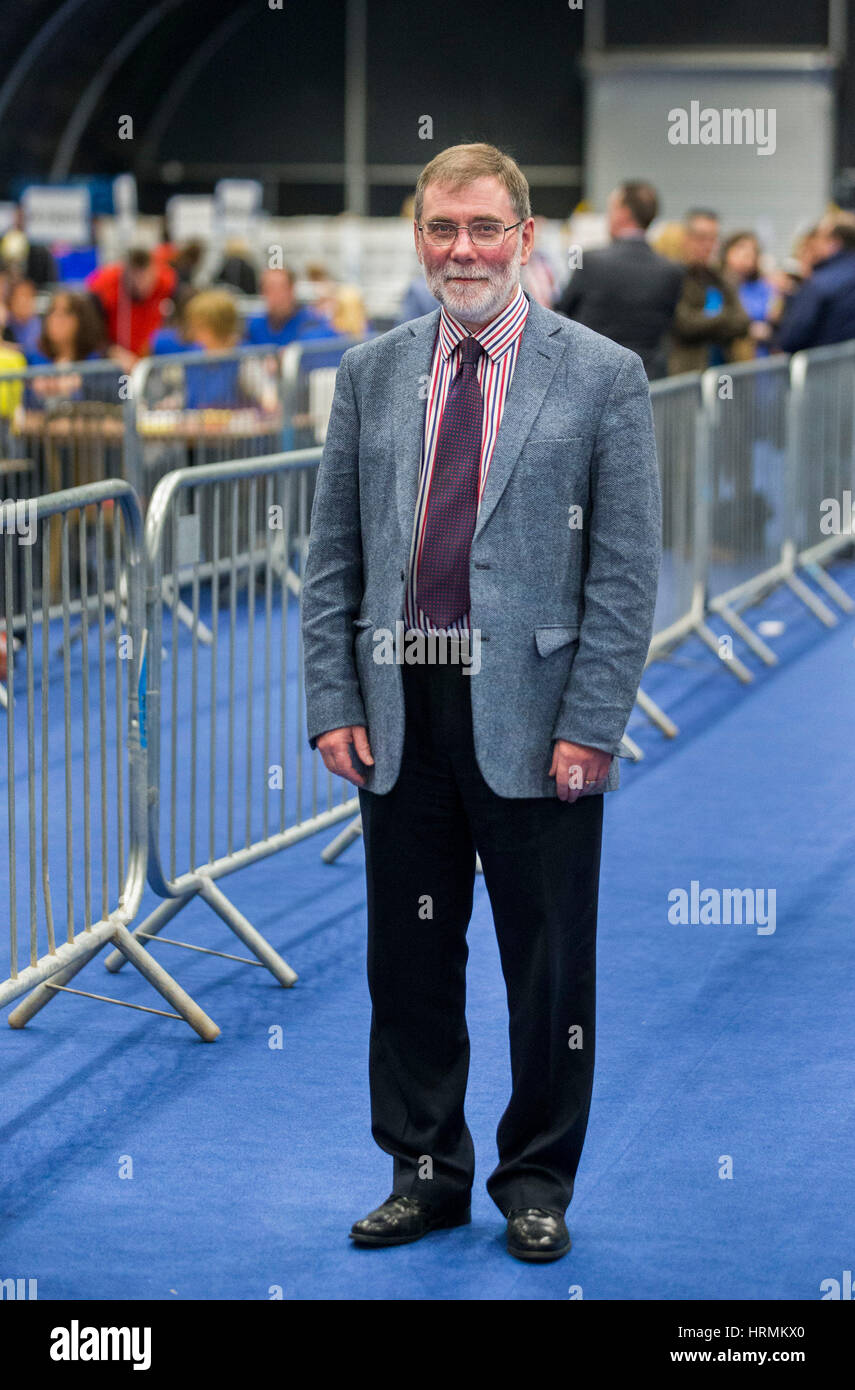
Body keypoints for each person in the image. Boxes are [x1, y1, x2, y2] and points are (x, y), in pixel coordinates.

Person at [301, 143, 661, 1263]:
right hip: (399, 708)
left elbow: (625, 572)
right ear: (419, 235)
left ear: (525, 235)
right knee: (407, 959)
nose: (464, 249)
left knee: (548, 964)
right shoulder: (370, 374)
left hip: (540, 716)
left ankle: (537, 1178)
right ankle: (423, 1171)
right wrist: (331, 696)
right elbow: (332, 561)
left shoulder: (602, 375)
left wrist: (591, 722)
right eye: (444, 228)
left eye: (485, 229)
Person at [556, 181, 684, 380]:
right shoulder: (672, 271)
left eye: (611, 208)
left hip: (595, 377)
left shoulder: (590, 261)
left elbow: (564, 308)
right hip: (649, 379)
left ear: (622, 213)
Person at [667, 209, 750, 375]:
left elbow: (742, 321)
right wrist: (724, 316)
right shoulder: (673, 276)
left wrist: (708, 320)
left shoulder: (719, 279)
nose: (707, 245)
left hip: (723, 373)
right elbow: (685, 324)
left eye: (713, 239)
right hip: (688, 373)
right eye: (701, 238)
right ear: (686, 239)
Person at [777, 214, 855, 353]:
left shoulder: (820, 283)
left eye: (818, 237)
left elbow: (792, 338)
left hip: (826, 368)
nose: (813, 243)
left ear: (834, 243)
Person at [85, 246, 177, 365]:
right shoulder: (104, 287)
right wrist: (110, 350)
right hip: (113, 356)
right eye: (136, 277)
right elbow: (90, 329)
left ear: (155, 271)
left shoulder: (166, 281)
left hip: (148, 354)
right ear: (126, 272)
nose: (141, 284)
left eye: (146, 277)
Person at [243, 267, 336, 347]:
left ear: (292, 290)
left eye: (281, 288)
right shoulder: (254, 325)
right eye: (269, 288)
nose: (276, 295)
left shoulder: (312, 322)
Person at [721, 231, 776, 358]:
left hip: (760, 356)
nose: (747, 256)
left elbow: (772, 316)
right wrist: (748, 330)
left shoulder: (763, 287)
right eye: (741, 249)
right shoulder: (717, 285)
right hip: (727, 356)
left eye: (753, 252)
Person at [2, 278, 41, 357]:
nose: (25, 301)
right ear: (11, 300)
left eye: (30, 295)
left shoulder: (40, 323)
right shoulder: (5, 323)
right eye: (21, 295)